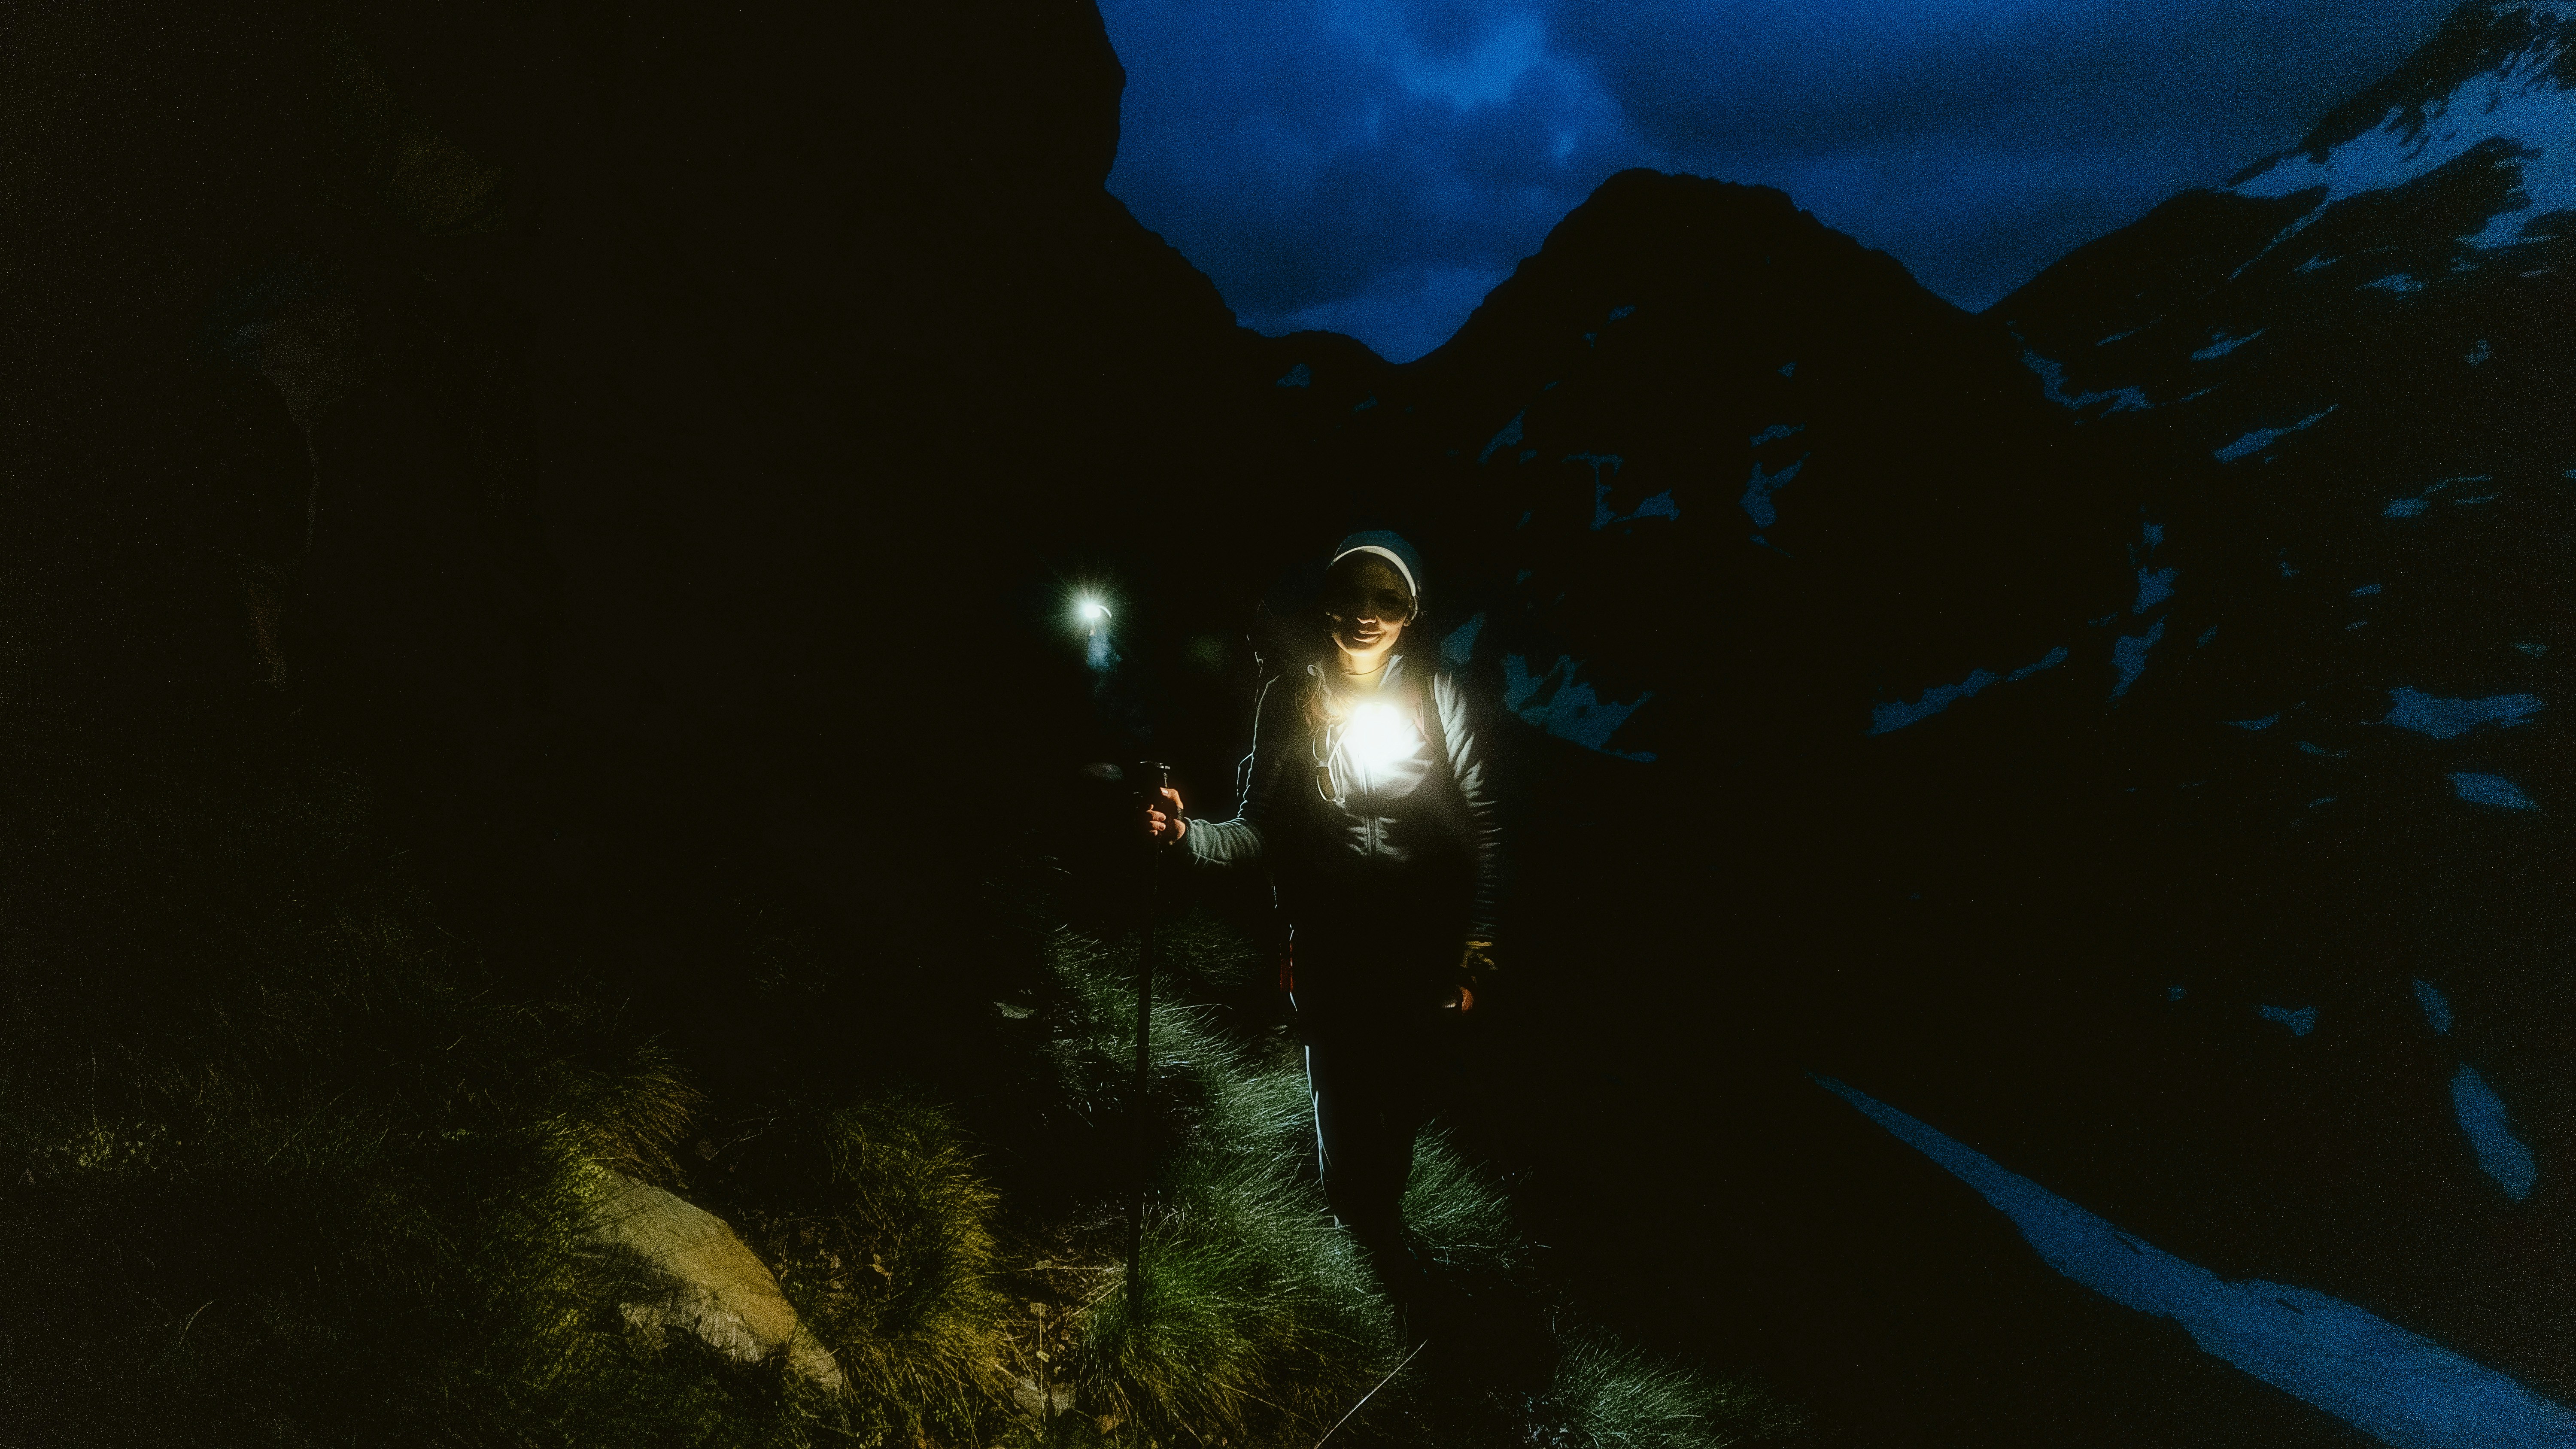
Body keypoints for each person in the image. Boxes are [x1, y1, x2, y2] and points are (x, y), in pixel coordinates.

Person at [1145, 530, 1504, 1312]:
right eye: (1352, 595)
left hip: (1421, 945)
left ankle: (1380, 1226)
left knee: (1402, 1100)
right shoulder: (1292, 698)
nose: (1367, 615)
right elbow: (1257, 828)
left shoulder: (1442, 696)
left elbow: (1481, 827)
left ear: (1411, 614)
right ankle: (1362, 1251)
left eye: (1387, 600)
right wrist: (1185, 838)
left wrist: (1474, 950)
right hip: (1330, 941)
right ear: (1329, 605)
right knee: (1340, 1093)